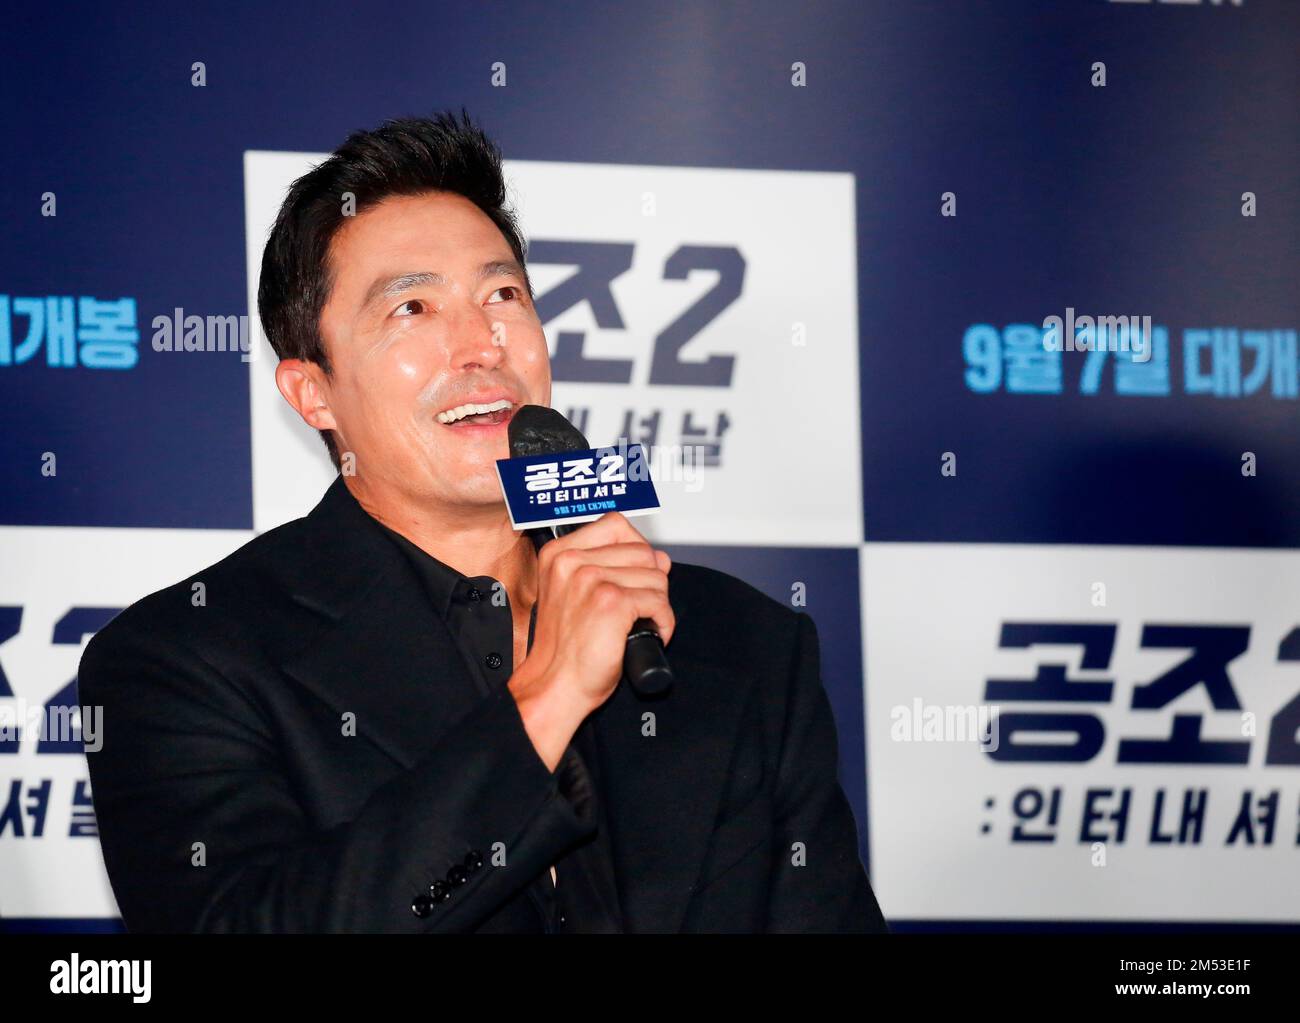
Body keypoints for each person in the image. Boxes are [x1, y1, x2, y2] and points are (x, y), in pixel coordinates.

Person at [77, 110, 888, 934]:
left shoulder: (744, 643)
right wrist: (544, 698)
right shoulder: (183, 660)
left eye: (503, 294)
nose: (480, 343)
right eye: (412, 309)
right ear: (311, 391)